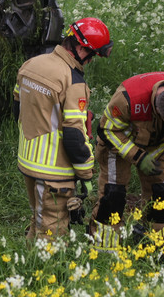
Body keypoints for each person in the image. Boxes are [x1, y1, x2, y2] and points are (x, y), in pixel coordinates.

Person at [14, 17, 113, 240]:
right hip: (53, 172)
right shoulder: (73, 80)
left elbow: (16, 108)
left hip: (27, 161)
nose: (89, 62)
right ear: (80, 47)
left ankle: (27, 264)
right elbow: (74, 135)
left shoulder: (30, 64)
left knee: (40, 217)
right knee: (53, 228)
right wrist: (86, 174)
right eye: (91, 55)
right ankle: (46, 273)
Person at [92, 71, 164, 246]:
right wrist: (139, 157)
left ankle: (156, 246)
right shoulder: (128, 99)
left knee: (162, 195)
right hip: (119, 144)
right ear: (157, 110)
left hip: (160, 144)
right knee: (113, 196)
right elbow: (107, 131)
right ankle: (105, 248)